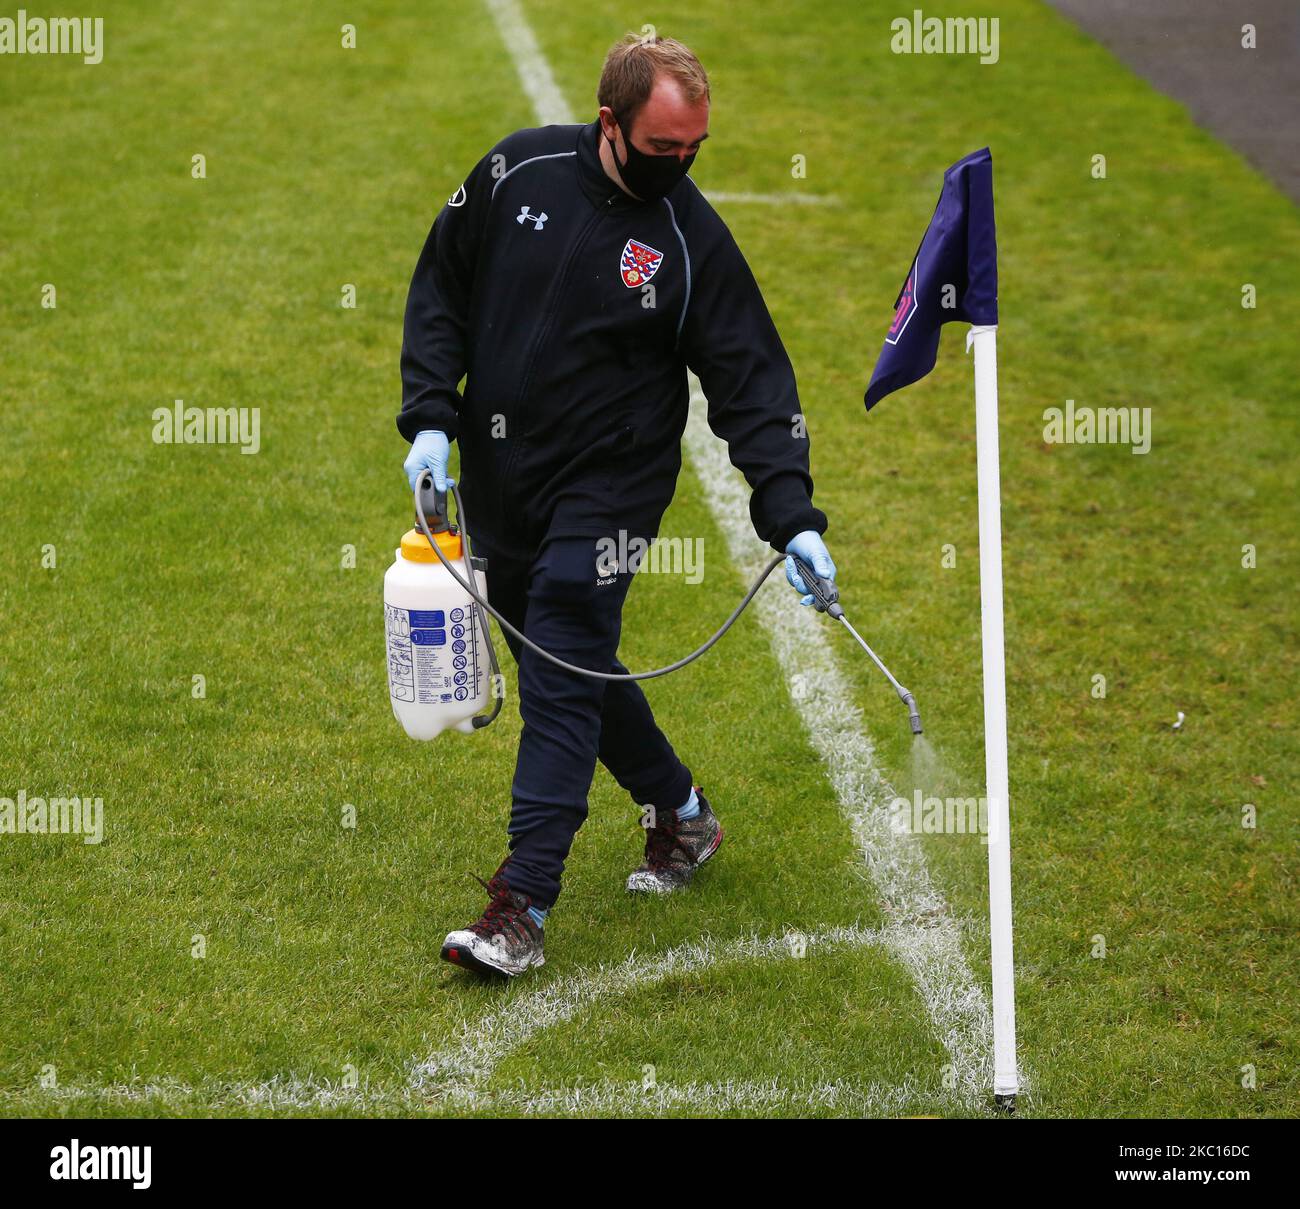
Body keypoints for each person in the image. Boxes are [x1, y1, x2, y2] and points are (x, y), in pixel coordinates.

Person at [399, 33, 836, 978]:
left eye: (695, 150)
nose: (680, 166)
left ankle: (522, 904)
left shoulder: (688, 239)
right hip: (502, 473)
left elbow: (752, 378)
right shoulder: (517, 172)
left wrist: (792, 512)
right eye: (662, 148)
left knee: (562, 645)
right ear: (610, 123)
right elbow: (441, 285)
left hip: (614, 483)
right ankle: (683, 814)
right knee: (566, 660)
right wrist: (431, 416)